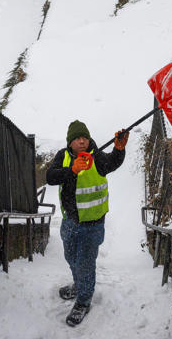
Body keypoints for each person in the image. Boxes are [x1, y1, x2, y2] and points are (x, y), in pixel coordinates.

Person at [46, 120, 129, 327]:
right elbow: (50, 177)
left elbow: (112, 163)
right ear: (70, 142)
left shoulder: (96, 156)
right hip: (70, 221)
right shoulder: (63, 156)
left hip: (93, 225)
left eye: (84, 137)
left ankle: (83, 301)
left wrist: (119, 149)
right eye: (77, 138)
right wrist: (72, 170)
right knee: (70, 257)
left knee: (85, 264)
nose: (82, 141)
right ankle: (79, 285)